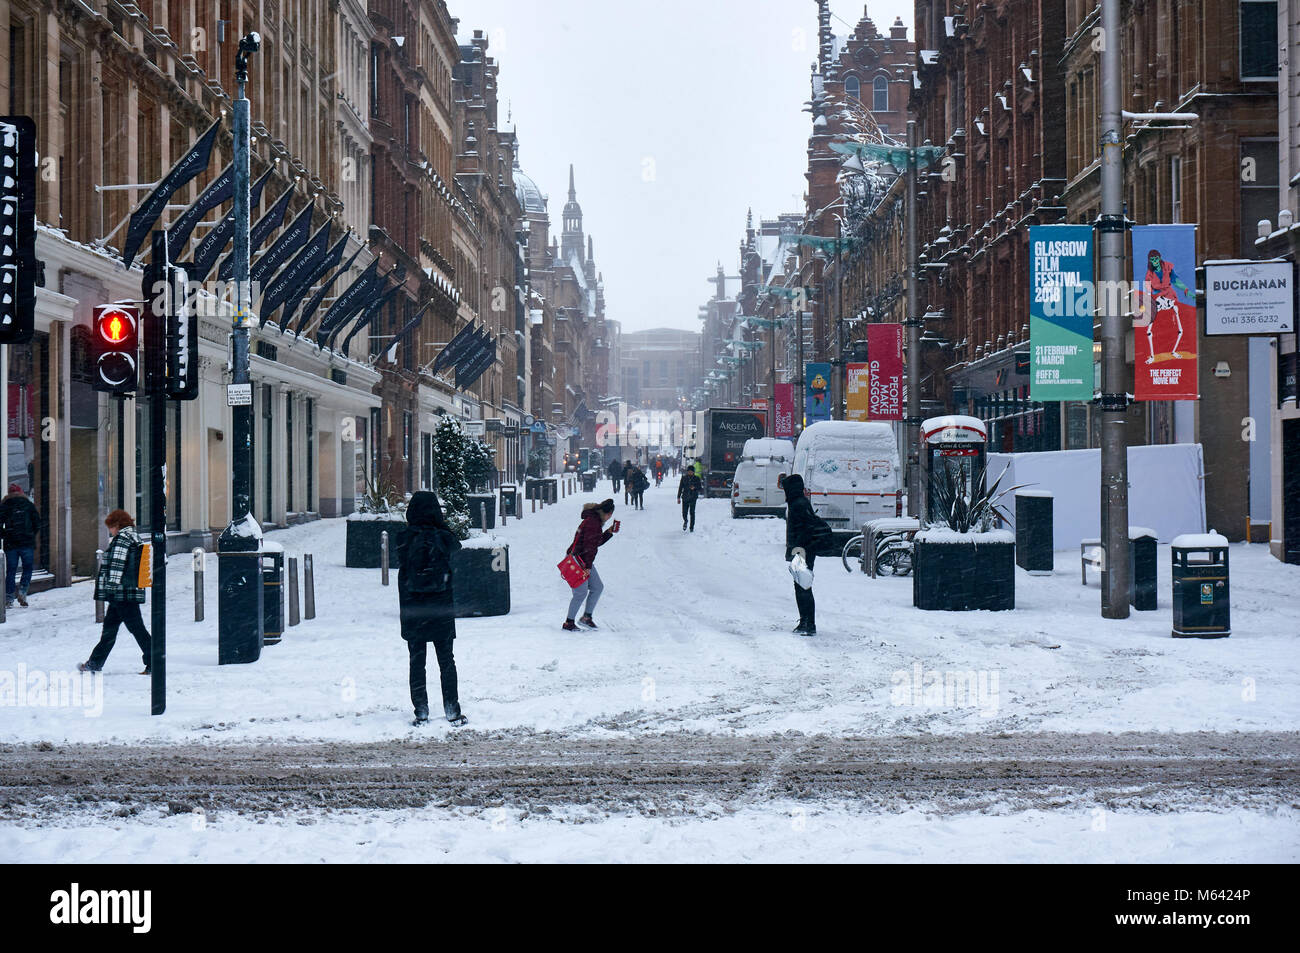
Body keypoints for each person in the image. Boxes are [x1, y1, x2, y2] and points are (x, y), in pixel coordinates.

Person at [397, 490, 467, 727]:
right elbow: (456, 548)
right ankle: (452, 710)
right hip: (440, 609)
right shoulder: (444, 537)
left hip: (414, 610)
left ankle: (421, 710)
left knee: (417, 661)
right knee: (446, 659)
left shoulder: (404, 538)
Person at [79, 510, 151, 674]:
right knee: (110, 629)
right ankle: (95, 662)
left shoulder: (122, 539)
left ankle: (155, 660)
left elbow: (117, 565)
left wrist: (110, 587)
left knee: (136, 629)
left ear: (117, 525)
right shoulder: (133, 537)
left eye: (111, 527)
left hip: (122, 593)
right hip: (126, 592)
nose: (110, 530)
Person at [782, 474, 833, 636]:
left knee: (803, 587)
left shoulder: (798, 504)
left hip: (803, 551)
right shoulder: (799, 503)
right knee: (802, 586)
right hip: (803, 550)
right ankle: (805, 620)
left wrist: (797, 550)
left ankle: (808, 623)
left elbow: (803, 530)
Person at [563, 498, 619, 630]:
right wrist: (587, 567)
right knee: (580, 593)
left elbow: (595, 542)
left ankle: (586, 618)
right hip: (578, 561)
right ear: (608, 514)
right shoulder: (593, 523)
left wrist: (609, 532)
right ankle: (568, 622)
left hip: (582, 559)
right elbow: (590, 547)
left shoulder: (594, 520)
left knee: (597, 587)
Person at [1, 483, 40, 608]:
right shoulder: (28, 505)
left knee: (11, 571)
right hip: (26, 542)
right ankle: (23, 592)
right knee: (27, 568)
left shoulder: (5, 505)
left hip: (11, 543)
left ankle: (9, 598)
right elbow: (37, 522)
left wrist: (5, 534)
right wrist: (30, 533)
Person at [677, 465, 702, 532]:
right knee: (684, 512)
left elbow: (700, 488)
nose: (690, 473)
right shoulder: (684, 478)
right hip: (685, 497)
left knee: (692, 512)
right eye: (689, 471)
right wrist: (678, 497)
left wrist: (694, 488)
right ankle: (685, 521)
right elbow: (680, 487)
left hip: (693, 497)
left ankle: (691, 527)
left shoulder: (696, 478)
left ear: (693, 472)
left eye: (691, 471)